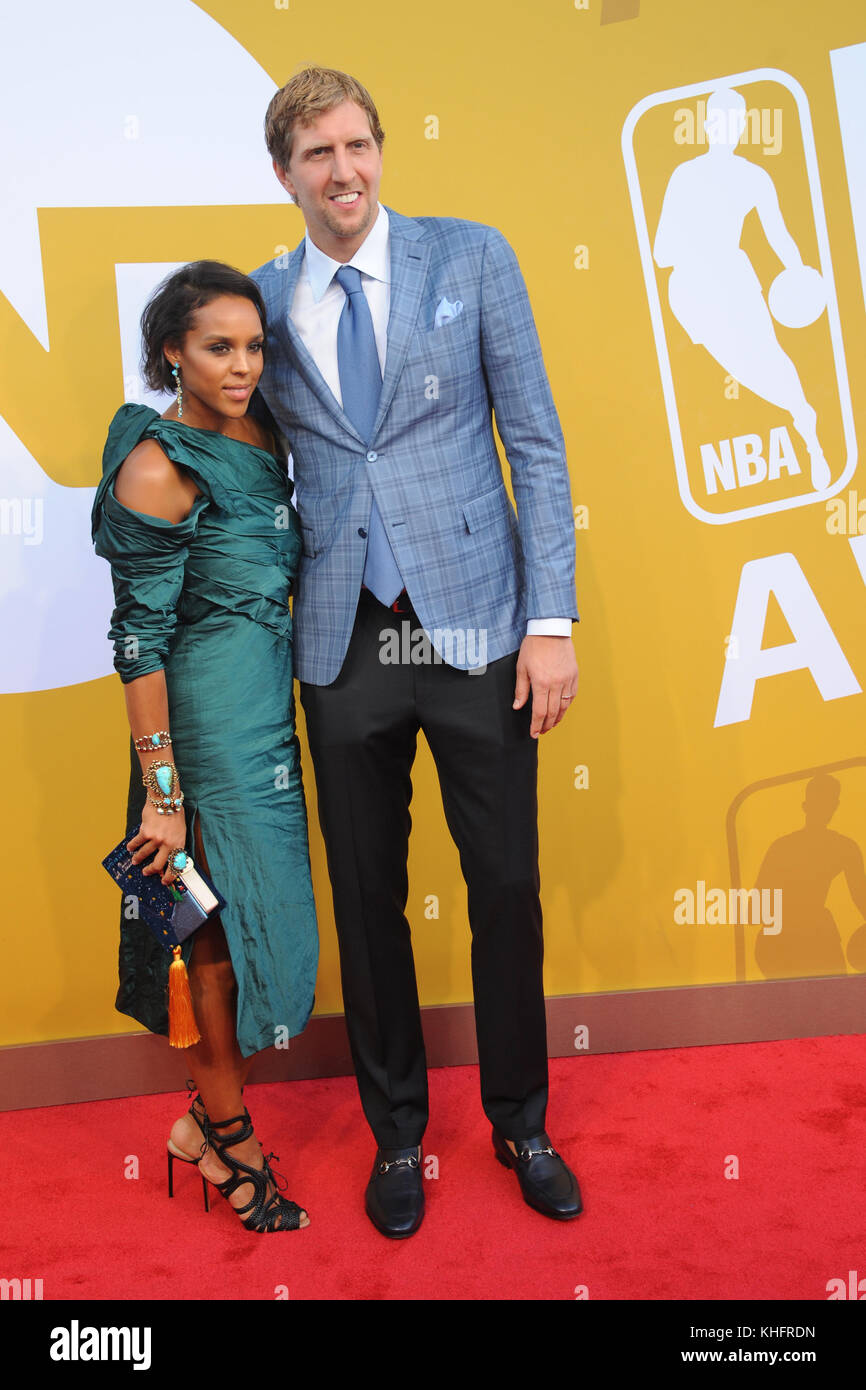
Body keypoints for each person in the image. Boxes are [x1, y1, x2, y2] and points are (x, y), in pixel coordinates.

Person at [249, 67, 582, 1237]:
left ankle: (521, 1120)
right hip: (342, 640)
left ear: (379, 149)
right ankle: (397, 1134)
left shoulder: (470, 257)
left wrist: (551, 625)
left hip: (478, 626)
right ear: (283, 174)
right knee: (366, 895)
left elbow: (532, 443)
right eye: (316, 156)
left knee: (502, 884)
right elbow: (247, 471)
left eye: (356, 146)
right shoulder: (261, 302)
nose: (342, 172)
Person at [91, 261, 318, 1234]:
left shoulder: (262, 432)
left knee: (276, 943)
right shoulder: (159, 459)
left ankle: (199, 1122)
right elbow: (137, 640)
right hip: (204, 738)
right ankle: (232, 1145)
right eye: (218, 346)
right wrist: (162, 794)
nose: (242, 364)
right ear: (172, 351)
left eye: (254, 345)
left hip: (268, 718)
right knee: (211, 947)